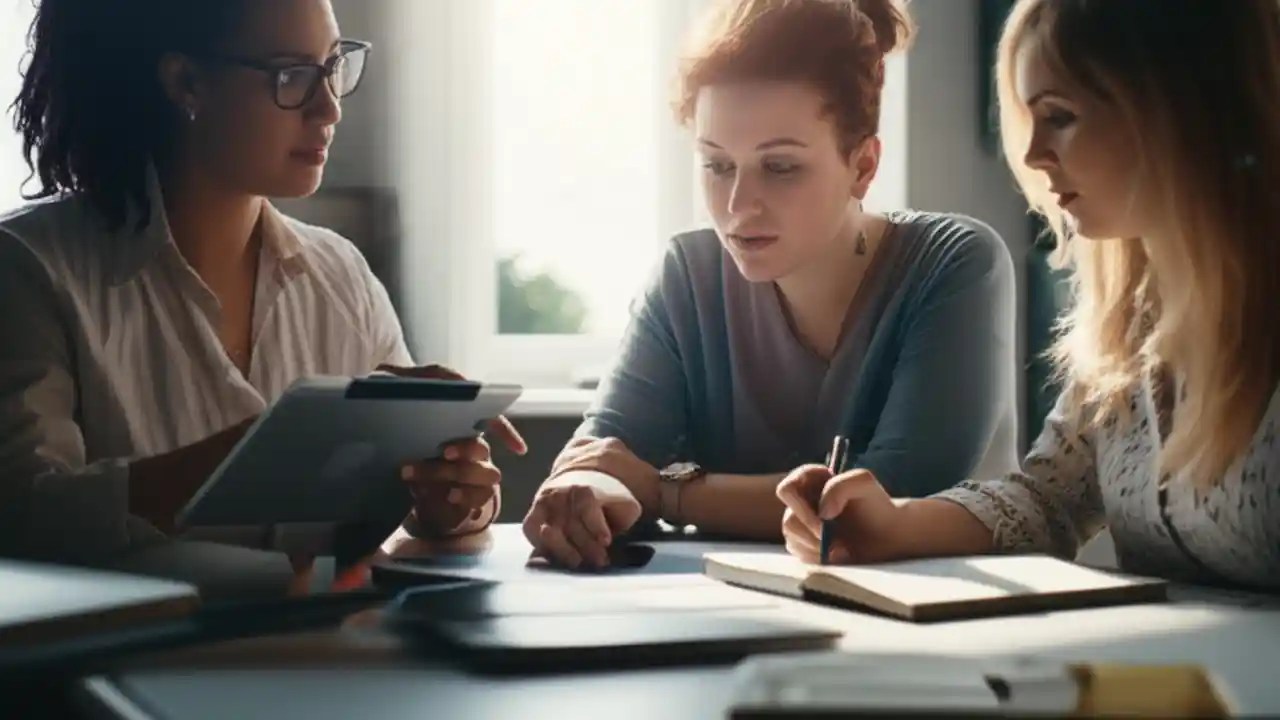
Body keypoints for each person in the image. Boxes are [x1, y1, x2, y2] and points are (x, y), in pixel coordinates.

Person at [0, 0, 524, 589]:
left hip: (332, 642)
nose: (329, 108)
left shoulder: (340, 276)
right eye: (291, 75)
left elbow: (410, 515)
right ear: (187, 82)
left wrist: (448, 502)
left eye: (333, 67)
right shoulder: (28, 270)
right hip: (128, 648)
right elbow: (20, 518)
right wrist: (261, 451)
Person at [778, 0, 1280, 589]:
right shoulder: (1129, 318)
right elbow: (1048, 498)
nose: (1033, 154)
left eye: (1060, 116)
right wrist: (894, 524)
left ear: (1180, 111)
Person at [523, 0, 1019, 570]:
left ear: (862, 166)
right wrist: (584, 493)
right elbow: (608, 453)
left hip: (942, 606)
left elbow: (890, 498)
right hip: (741, 607)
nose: (738, 206)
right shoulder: (688, 276)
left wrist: (666, 492)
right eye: (717, 165)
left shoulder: (955, 263)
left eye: (780, 167)